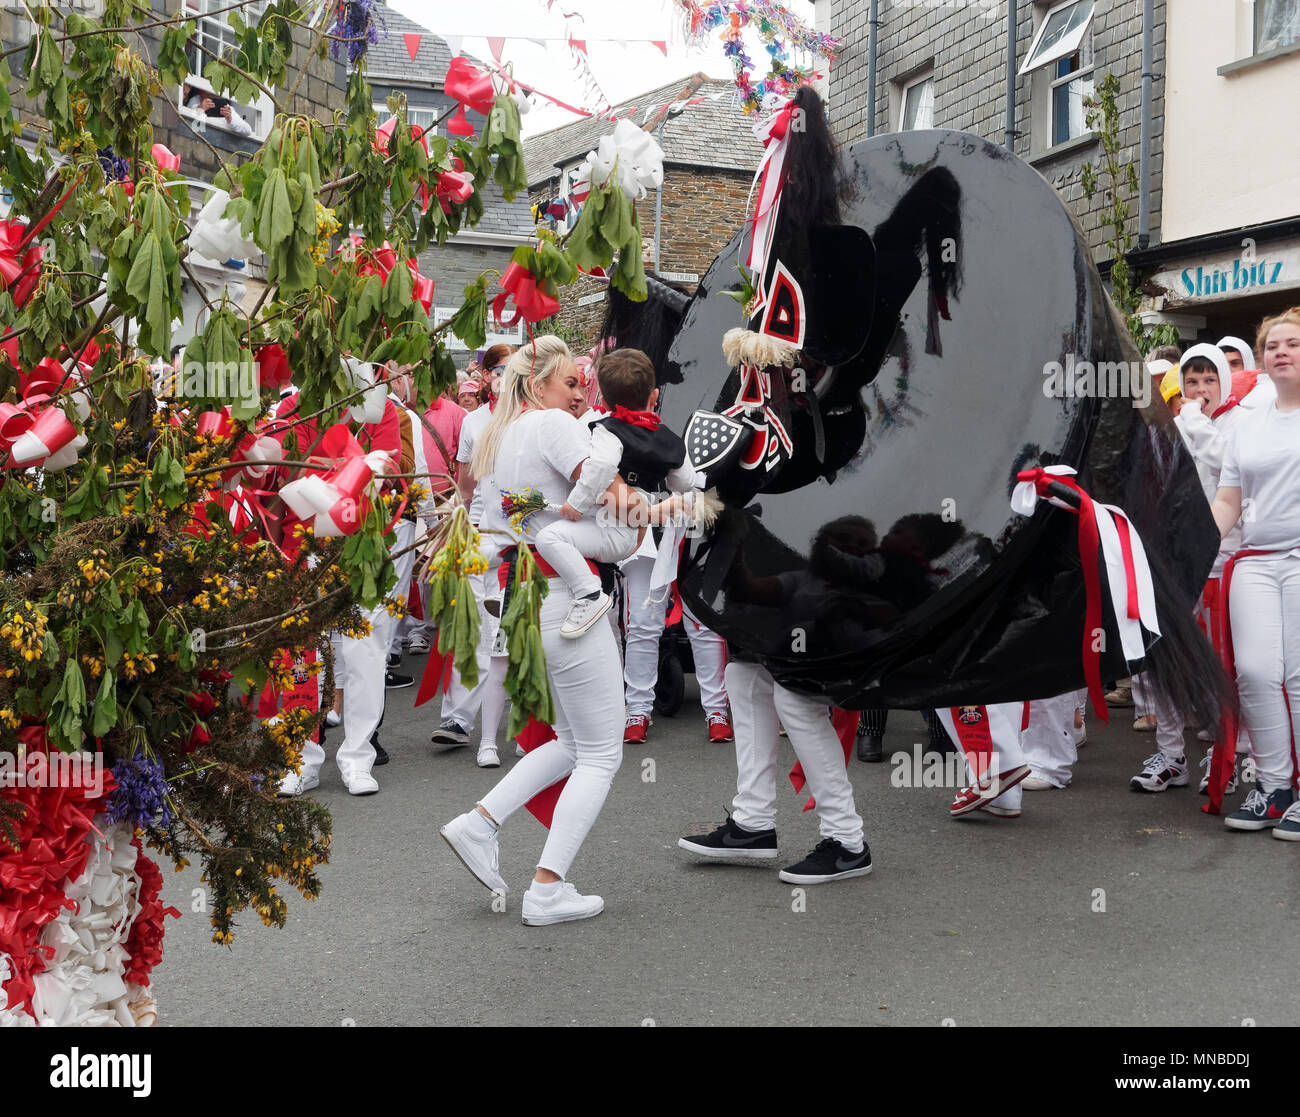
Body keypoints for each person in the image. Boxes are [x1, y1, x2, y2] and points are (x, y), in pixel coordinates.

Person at [440, 336, 635, 924]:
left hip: (528, 594)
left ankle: (479, 823)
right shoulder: (551, 425)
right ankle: (547, 888)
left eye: (582, 383)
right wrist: (648, 509)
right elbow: (609, 491)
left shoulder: (501, 434)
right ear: (537, 385)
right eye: (571, 382)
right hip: (559, 596)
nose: (581, 393)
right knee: (602, 754)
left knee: (574, 744)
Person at [534, 347, 701, 639]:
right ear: (654, 396)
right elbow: (685, 482)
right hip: (629, 522)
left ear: (605, 400)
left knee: (550, 537)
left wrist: (575, 504)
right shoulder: (670, 439)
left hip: (616, 528)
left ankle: (588, 595)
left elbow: (599, 468)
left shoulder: (607, 430)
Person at [1209, 309, 1300, 837]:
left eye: (1293, 343)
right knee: (1257, 673)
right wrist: (1194, 548)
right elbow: (1228, 501)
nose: (1281, 351)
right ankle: (1273, 787)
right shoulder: (1247, 425)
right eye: (1272, 346)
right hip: (1256, 562)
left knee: (1297, 675)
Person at [432, 343, 515, 754]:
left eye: (515, 367)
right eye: (500, 368)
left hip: (526, 533)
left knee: (522, 623)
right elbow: (465, 486)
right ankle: (459, 717)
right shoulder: (473, 423)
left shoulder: (538, 417)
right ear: (486, 376)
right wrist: (456, 530)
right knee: (476, 624)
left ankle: (524, 720)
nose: (507, 374)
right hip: (482, 532)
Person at [182, 83, 254, 138]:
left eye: (212, 94)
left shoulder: (226, 108)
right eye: (206, 92)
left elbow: (247, 131)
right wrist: (201, 109)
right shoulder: (196, 101)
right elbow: (192, 127)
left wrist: (230, 119)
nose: (209, 96)